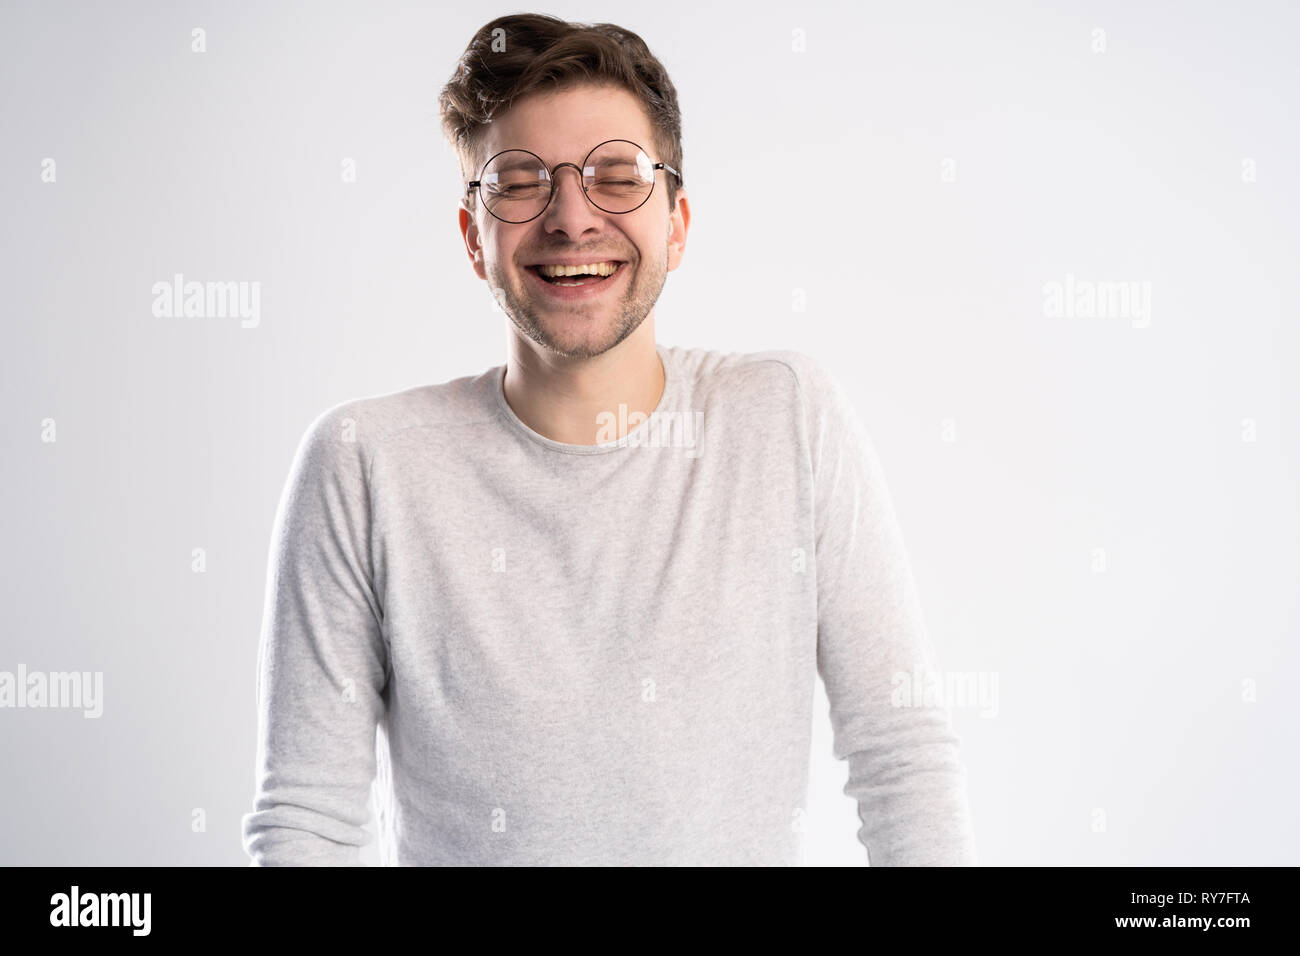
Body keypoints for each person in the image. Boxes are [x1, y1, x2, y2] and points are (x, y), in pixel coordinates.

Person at [240, 12, 977, 866]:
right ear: (475, 238)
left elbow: (903, 763)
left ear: (678, 222)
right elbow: (308, 823)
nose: (571, 218)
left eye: (615, 176)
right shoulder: (364, 464)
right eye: (519, 181)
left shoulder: (787, 420)